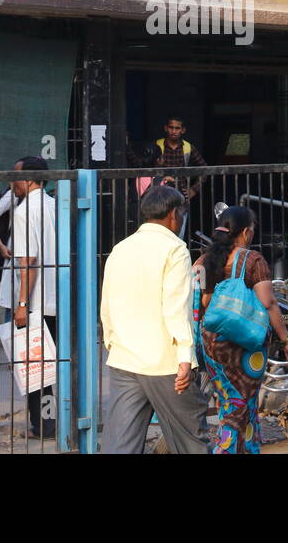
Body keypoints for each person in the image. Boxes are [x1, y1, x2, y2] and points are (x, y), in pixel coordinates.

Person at [100, 185, 209, 454]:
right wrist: (185, 356)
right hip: (166, 362)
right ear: (174, 214)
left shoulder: (121, 248)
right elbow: (176, 307)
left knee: (121, 444)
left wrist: (112, 342)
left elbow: (107, 303)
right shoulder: (175, 249)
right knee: (190, 441)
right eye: (181, 213)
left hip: (125, 358)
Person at [193, 206, 288, 454]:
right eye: (252, 228)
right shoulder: (252, 260)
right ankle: (226, 450)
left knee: (231, 401)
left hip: (211, 342)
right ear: (245, 232)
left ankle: (248, 449)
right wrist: (286, 341)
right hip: (243, 343)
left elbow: (203, 302)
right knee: (240, 403)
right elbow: (269, 303)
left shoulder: (202, 260)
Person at [0, 156, 59, 438]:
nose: (13, 183)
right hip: (56, 298)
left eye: (16, 177)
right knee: (53, 366)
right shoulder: (53, 205)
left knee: (36, 370)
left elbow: (28, 263)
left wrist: (21, 305)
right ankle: (54, 421)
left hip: (35, 301)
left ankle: (43, 426)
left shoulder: (24, 212)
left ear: (30, 179)